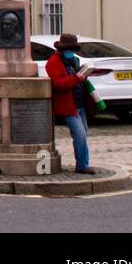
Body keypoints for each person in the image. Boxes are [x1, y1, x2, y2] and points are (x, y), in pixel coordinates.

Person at [47, 32, 96, 174]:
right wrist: (77, 78)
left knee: (83, 134)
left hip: (80, 103)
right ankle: (82, 166)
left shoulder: (74, 60)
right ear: (61, 49)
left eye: (73, 49)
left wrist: (83, 74)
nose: (71, 52)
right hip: (68, 105)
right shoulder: (53, 62)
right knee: (80, 135)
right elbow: (58, 84)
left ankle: (83, 163)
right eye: (69, 49)